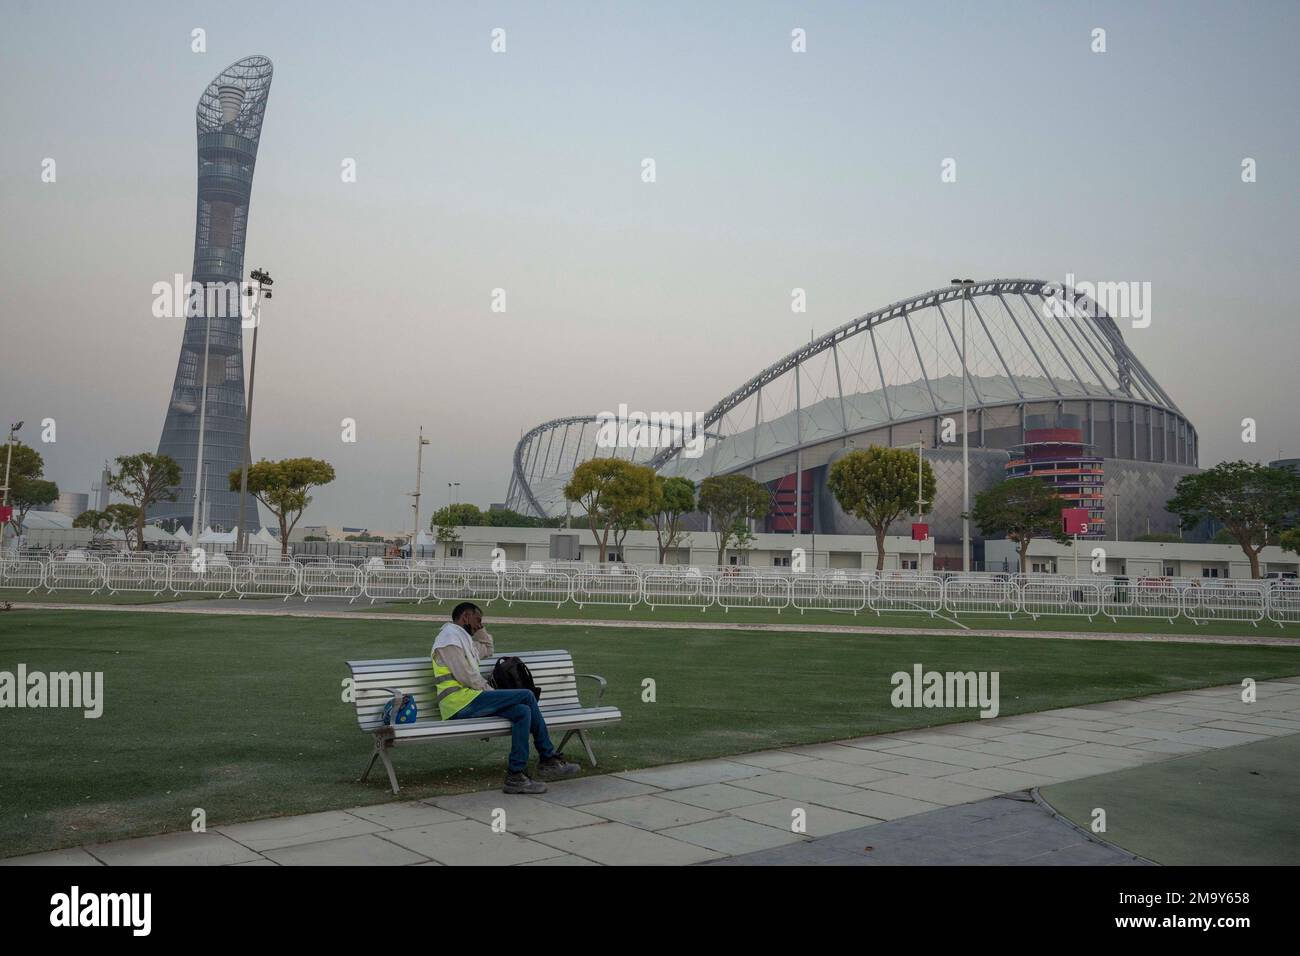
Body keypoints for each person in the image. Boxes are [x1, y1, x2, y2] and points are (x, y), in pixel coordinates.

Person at [431, 602, 579, 794]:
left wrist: (480, 628)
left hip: (470, 699)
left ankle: (516, 775)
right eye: (478, 620)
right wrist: (492, 693)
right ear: (465, 617)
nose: (479, 626)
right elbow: (466, 677)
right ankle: (547, 757)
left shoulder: (463, 640)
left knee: (522, 712)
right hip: (457, 703)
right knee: (526, 695)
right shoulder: (449, 640)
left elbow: (488, 647)